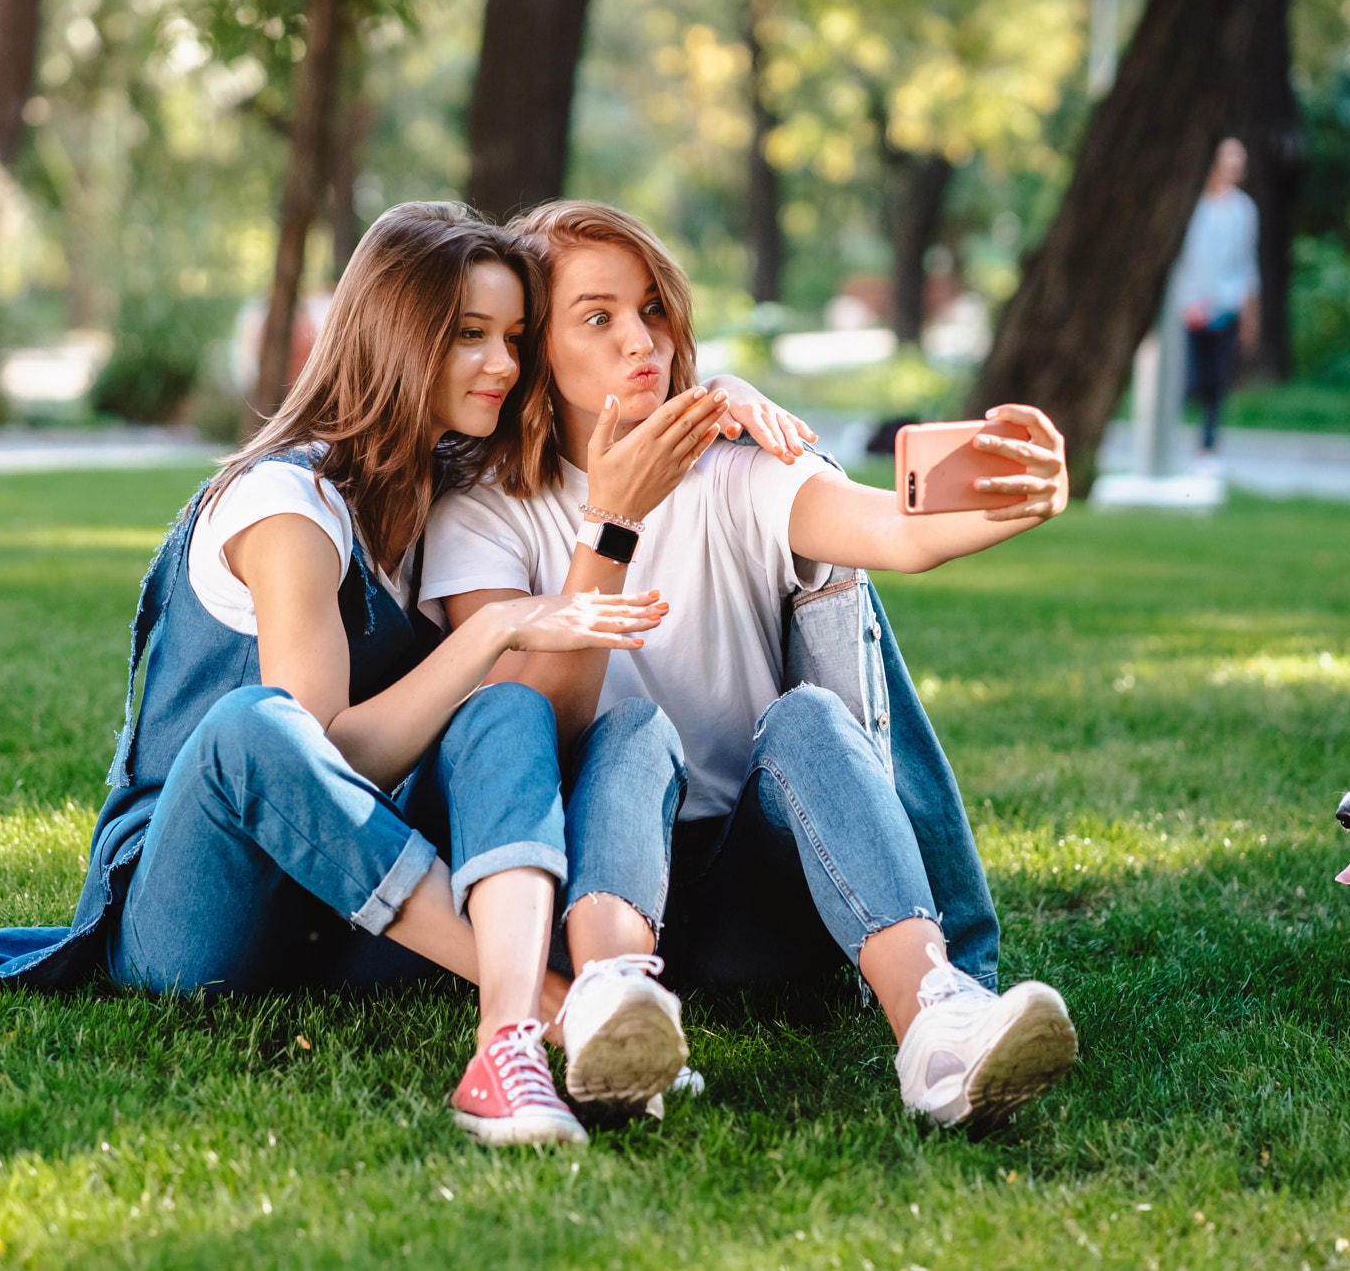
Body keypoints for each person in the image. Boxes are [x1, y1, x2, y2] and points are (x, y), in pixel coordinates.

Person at [0, 202, 718, 1148]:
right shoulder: (287, 505)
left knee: (520, 711)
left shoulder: (431, 506)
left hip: (342, 922)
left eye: (513, 337)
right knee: (256, 726)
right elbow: (323, 760)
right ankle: (551, 1001)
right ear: (395, 337)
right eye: (468, 336)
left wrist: (737, 409)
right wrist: (492, 627)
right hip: (199, 916)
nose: (503, 364)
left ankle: (511, 1038)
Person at [422, 200, 1080, 1130]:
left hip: (762, 887)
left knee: (809, 715)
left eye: (652, 308)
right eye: (597, 317)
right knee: (627, 725)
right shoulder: (482, 512)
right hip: (592, 894)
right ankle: (609, 1008)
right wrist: (609, 527)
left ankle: (937, 1027)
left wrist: (1019, 496)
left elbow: (891, 529)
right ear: (535, 350)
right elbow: (526, 730)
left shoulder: (733, 467)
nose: (640, 340)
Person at [1178, 137, 1261, 459]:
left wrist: (1251, 314)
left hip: (1226, 306)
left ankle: (1207, 446)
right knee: (1192, 379)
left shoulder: (1243, 209)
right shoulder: (1192, 205)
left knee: (1216, 381)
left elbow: (1246, 265)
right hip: (1190, 307)